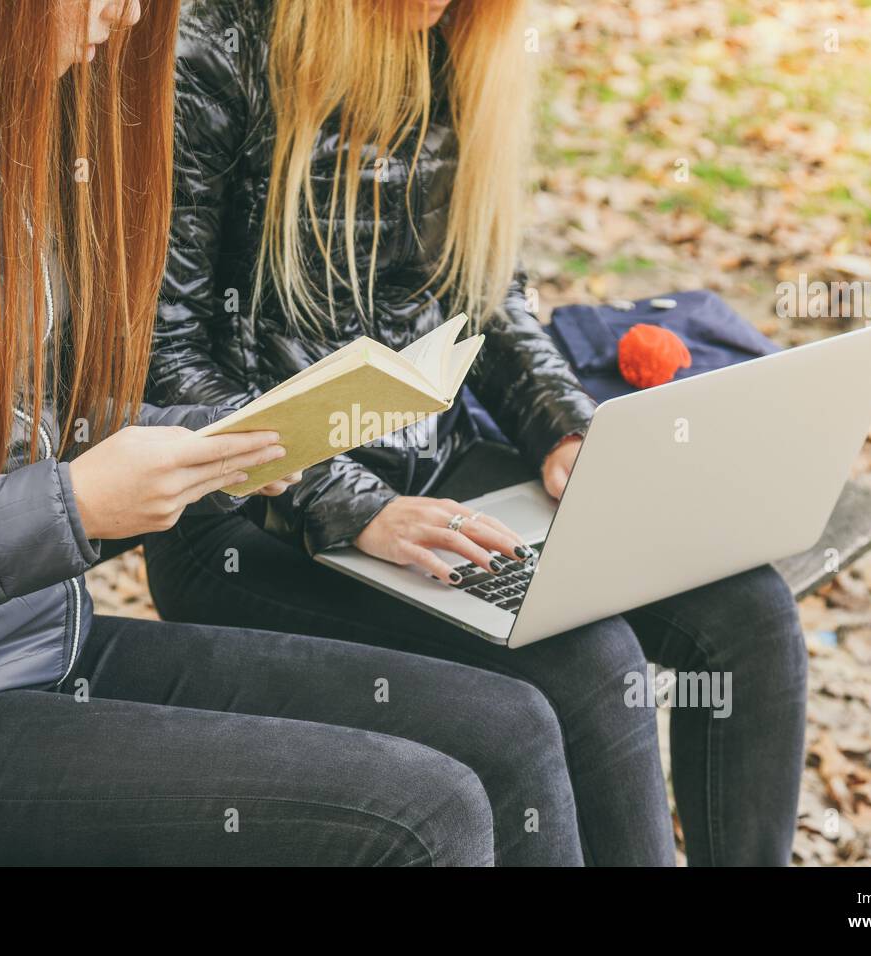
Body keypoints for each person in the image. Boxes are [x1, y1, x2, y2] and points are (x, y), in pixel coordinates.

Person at [0, 0, 585, 866]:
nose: (129, 13)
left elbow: (23, 426)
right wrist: (73, 506)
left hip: (36, 644)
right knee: (422, 812)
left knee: (507, 731)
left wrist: (221, 441)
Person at [144, 0, 809, 865]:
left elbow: (484, 292)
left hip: (438, 460)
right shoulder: (220, 46)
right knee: (589, 662)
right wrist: (350, 503)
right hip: (252, 517)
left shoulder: (456, 44)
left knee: (749, 611)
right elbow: (163, 357)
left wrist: (563, 429)